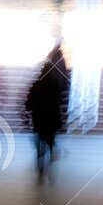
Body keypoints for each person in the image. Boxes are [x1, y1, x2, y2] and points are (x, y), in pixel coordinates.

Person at [24, 47, 67, 184]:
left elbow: (28, 102)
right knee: (50, 141)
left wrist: (27, 114)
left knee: (39, 141)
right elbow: (59, 102)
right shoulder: (55, 86)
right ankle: (49, 161)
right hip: (52, 119)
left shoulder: (36, 85)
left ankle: (40, 163)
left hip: (39, 119)